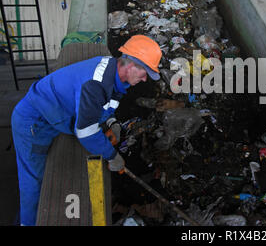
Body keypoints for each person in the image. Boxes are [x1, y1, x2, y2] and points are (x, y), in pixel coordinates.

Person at [11, 35, 162, 226]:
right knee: (34, 182)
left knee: (37, 182)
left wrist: (111, 123)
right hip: (34, 122)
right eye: (144, 72)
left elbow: (105, 104)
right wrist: (111, 156)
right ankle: (26, 223)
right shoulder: (96, 82)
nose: (144, 78)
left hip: (54, 117)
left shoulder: (115, 74)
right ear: (131, 64)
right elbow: (86, 132)